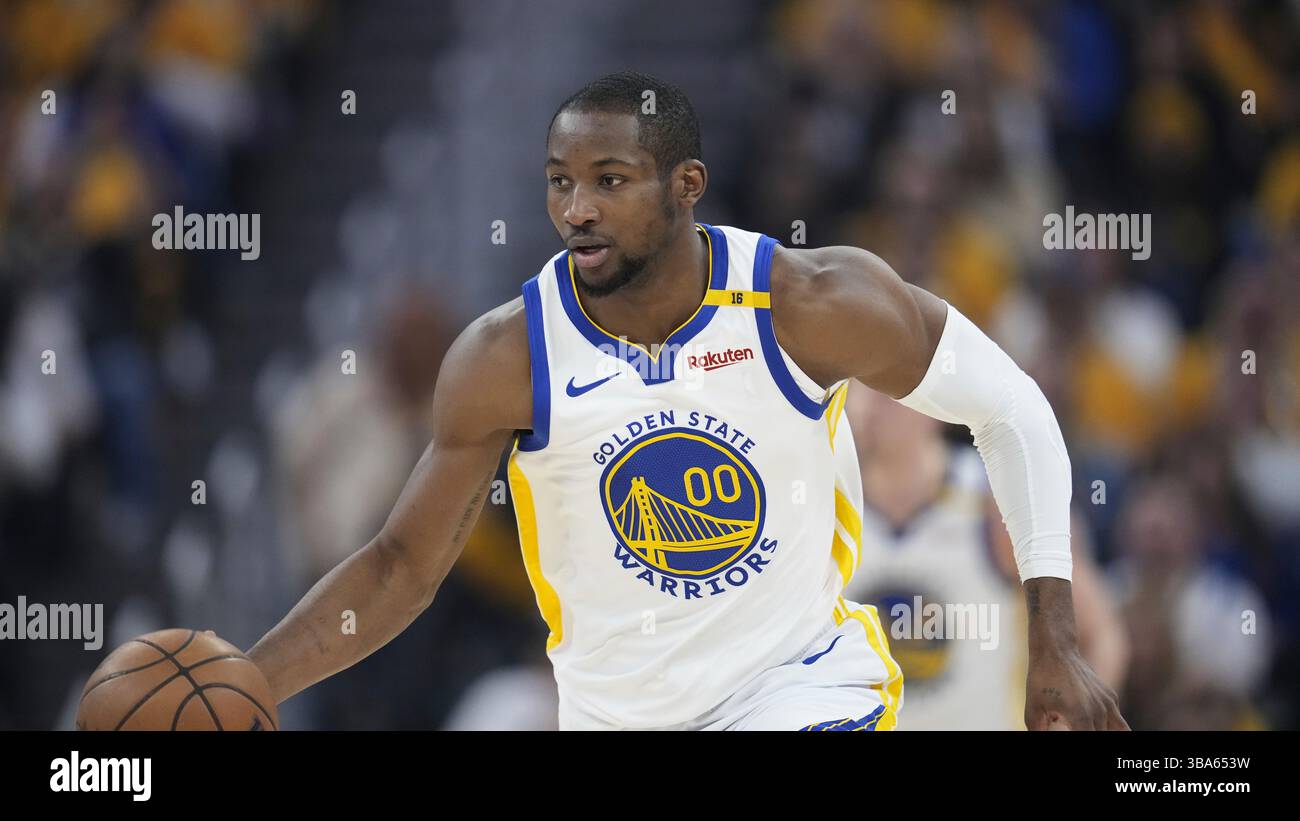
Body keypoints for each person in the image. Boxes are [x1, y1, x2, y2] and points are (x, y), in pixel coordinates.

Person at [246, 71, 1127, 731]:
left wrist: (1054, 638)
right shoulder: (506, 356)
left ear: (686, 186)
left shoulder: (808, 304)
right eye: (561, 181)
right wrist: (252, 683)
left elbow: (1013, 408)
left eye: (610, 180)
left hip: (799, 689)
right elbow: (401, 566)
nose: (579, 209)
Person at [842, 381, 1129, 729]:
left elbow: (1102, 636)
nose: (861, 405)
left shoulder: (996, 502)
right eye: (851, 388)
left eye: (879, 387)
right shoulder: (821, 502)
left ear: (934, 402)